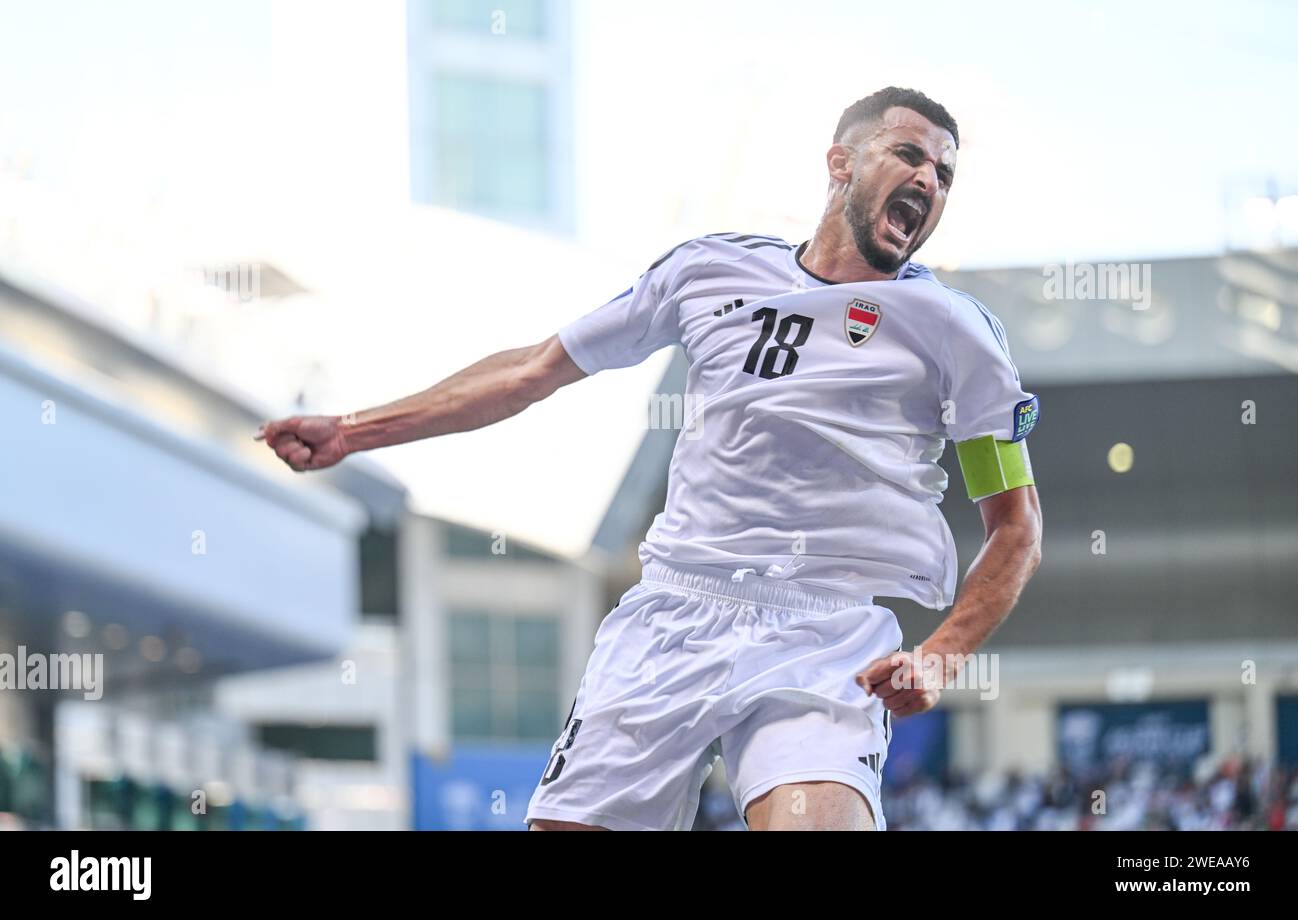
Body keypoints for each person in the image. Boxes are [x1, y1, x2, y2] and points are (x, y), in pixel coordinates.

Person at [257, 86, 1043, 831]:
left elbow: (1016, 529)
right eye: (906, 154)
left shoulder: (956, 334)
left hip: (825, 636)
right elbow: (532, 371)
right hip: (671, 615)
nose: (926, 180)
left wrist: (940, 658)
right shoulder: (708, 271)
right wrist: (354, 430)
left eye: (943, 174)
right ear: (840, 161)